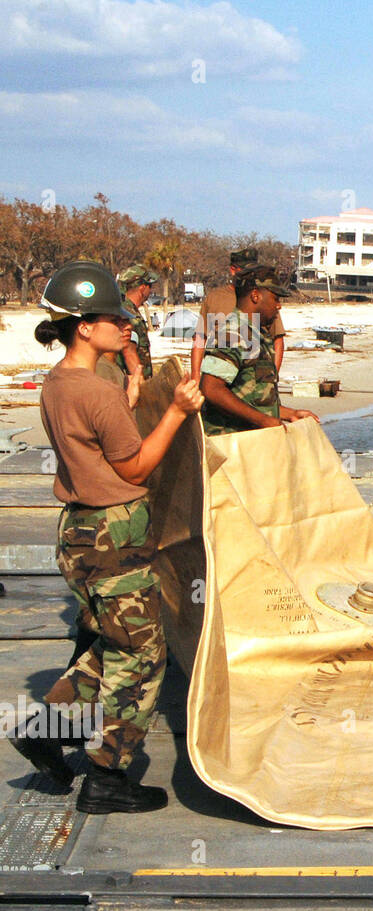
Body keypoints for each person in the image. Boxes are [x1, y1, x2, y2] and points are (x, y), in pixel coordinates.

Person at [6, 261, 204, 814]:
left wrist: (131, 395)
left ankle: (45, 730)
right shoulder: (95, 392)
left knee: (108, 644)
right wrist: (176, 411)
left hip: (79, 534)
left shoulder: (59, 383)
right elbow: (136, 468)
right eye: (111, 317)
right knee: (142, 657)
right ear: (83, 327)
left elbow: (93, 446)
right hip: (115, 535)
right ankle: (105, 777)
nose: (124, 323)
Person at [198, 266, 318, 434]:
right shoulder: (234, 334)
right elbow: (211, 389)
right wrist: (263, 421)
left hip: (253, 441)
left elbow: (252, 397)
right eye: (275, 299)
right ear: (255, 296)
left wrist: (290, 414)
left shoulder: (257, 334)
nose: (279, 306)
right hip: (231, 443)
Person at [192, 246, 286, 380]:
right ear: (233, 270)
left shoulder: (263, 300)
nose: (250, 275)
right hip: (220, 376)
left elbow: (278, 340)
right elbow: (200, 339)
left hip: (254, 381)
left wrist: (273, 378)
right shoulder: (214, 298)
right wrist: (195, 376)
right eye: (246, 270)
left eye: (254, 271)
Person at [116, 264, 158, 381]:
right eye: (150, 285)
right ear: (142, 287)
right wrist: (142, 387)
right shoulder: (128, 314)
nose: (150, 290)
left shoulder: (126, 309)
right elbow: (128, 352)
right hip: (130, 383)